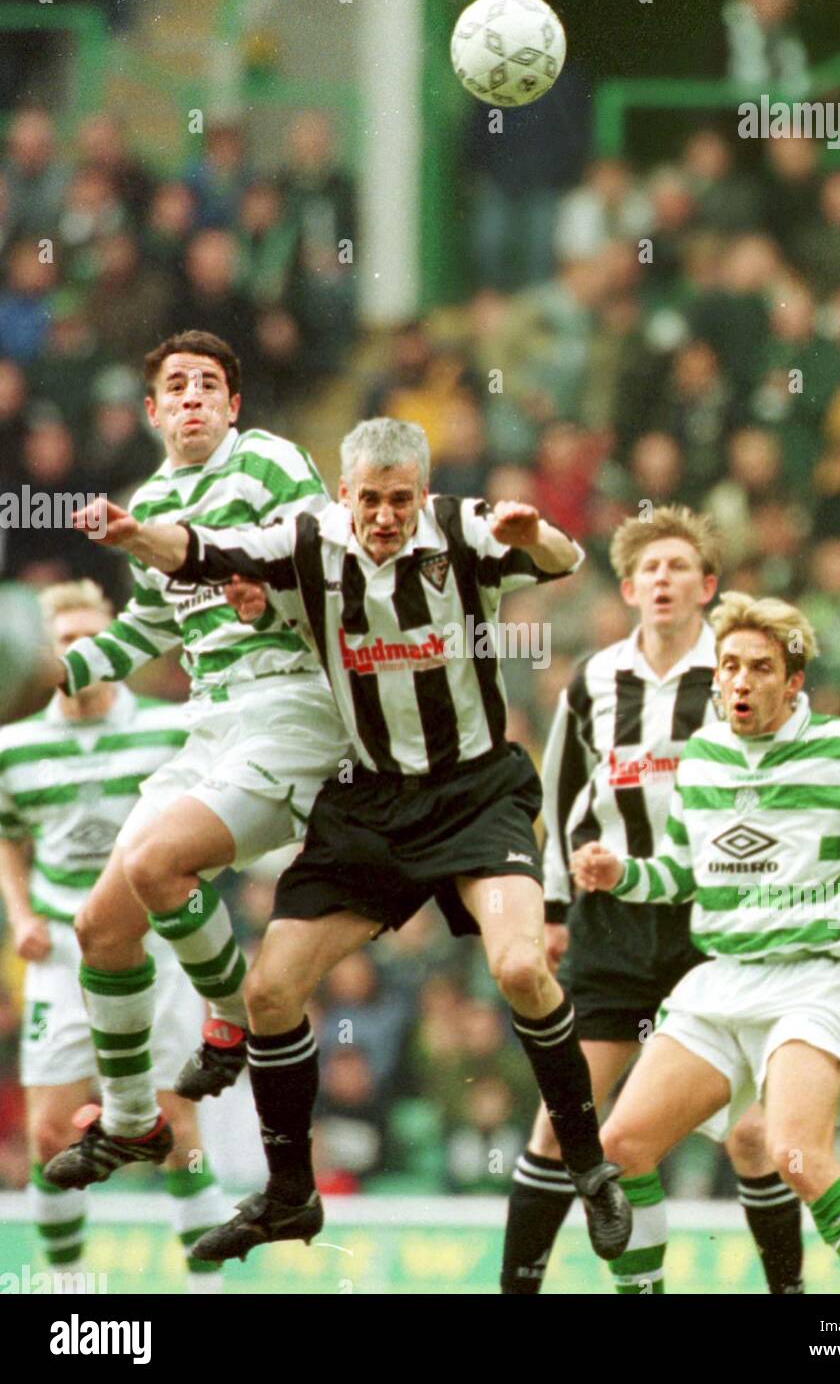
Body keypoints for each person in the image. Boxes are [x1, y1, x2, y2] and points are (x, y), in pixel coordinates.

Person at [70, 416, 632, 1266]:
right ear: (343, 493)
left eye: (400, 499)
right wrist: (131, 532)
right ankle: (291, 1194)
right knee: (268, 993)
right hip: (368, 806)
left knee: (520, 967)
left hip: (474, 794)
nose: (384, 515)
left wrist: (536, 534)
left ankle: (589, 1167)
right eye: (369, 498)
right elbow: (203, 550)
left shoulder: (459, 527)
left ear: (421, 492)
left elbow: (562, 562)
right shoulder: (306, 540)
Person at [571, 592, 840, 1295]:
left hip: (812, 982)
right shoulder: (704, 759)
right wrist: (621, 873)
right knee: (620, 1147)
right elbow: (684, 873)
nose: (742, 681)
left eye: (760, 667)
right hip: (721, 981)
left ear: (793, 682)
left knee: (795, 1155)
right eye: (729, 667)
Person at [42, 330, 349, 1192]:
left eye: (207, 384)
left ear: (233, 405)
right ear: (151, 413)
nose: (190, 397)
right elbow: (148, 628)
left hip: (287, 707)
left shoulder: (270, 463)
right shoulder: (154, 494)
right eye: (174, 386)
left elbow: (317, 555)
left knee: (154, 862)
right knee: (100, 927)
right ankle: (135, 1124)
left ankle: (231, 1016)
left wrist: (241, 578)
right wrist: (57, 673)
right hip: (209, 721)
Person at [502, 506, 805, 1295]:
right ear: (630, 588)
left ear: (708, 587)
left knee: (749, 1135)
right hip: (614, 920)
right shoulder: (595, 679)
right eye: (650, 570)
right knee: (562, 1124)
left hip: (721, 922)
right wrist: (555, 908)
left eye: (680, 568)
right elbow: (567, 794)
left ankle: (790, 1293)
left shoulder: (741, 674)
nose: (663, 580)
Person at [0, 581, 228, 1292]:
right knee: (48, 1136)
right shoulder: (13, 748)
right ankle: (66, 1301)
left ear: (117, 647)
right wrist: (20, 915)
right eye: (67, 640)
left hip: (152, 953)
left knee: (172, 1131)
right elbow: (8, 837)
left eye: (95, 639)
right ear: (50, 649)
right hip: (63, 957)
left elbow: (210, 831)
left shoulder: (171, 731)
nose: (82, 652)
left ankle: (207, 1288)